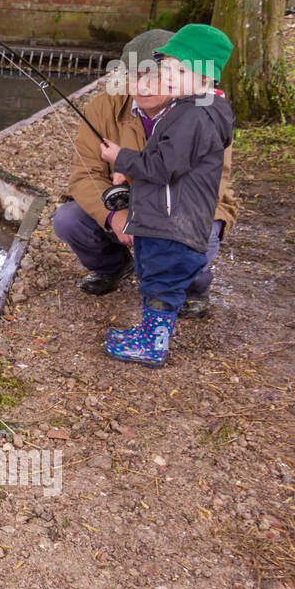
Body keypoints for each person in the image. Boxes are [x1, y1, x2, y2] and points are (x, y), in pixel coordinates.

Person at [52, 28, 238, 317]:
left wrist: (149, 222)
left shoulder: (204, 113)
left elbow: (210, 185)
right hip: (127, 209)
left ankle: (192, 288)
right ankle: (115, 267)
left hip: (184, 210)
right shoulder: (102, 108)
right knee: (67, 219)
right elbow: (84, 175)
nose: (144, 86)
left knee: (198, 240)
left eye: (156, 76)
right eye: (135, 75)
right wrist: (115, 216)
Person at [96, 24, 235, 367]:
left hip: (175, 222)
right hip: (166, 218)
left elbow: (164, 167)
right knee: (153, 273)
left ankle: (152, 345)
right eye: (168, 66)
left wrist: (122, 158)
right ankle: (146, 332)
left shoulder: (195, 115)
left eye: (183, 69)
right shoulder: (191, 108)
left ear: (207, 77)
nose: (170, 75)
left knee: (162, 281)